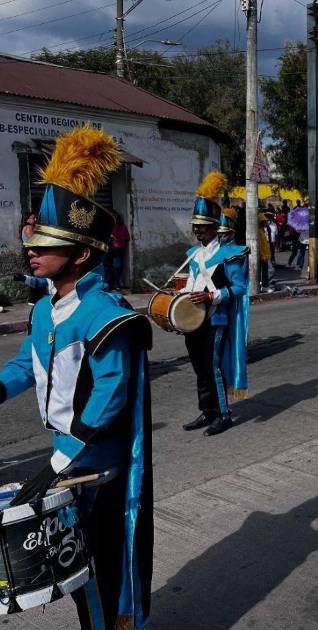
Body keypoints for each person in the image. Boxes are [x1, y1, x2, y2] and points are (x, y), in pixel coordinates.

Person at [0, 127, 153, 629]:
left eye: (47, 245)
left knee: (103, 567)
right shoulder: (46, 309)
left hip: (98, 463)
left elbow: (112, 394)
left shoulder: (104, 313)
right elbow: (29, 364)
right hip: (65, 454)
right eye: (33, 243)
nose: (32, 252)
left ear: (82, 253)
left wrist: (62, 460)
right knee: (72, 568)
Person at [181, 172, 250, 437]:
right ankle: (207, 411)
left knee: (213, 368)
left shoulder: (231, 255)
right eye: (195, 225)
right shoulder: (192, 254)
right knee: (199, 368)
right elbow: (191, 283)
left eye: (203, 225)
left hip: (216, 319)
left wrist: (212, 296)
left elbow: (241, 288)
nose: (198, 229)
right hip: (194, 318)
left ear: (214, 227)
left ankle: (223, 414)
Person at [105, 213, 130, 290]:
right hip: (115, 250)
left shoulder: (115, 227)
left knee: (114, 267)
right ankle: (114, 284)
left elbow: (125, 238)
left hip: (115, 250)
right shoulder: (119, 227)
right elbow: (126, 238)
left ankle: (114, 284)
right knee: (114, 267)